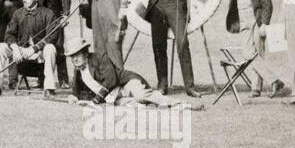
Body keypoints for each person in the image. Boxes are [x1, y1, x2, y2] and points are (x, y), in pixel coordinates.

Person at [64, 33, 204, 110]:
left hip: (126, 83)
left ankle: (184, 105)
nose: (74, 60)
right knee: (131, 106)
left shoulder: (100, 57)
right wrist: (73, 97)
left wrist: (96, 100)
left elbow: (111, 80)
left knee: (141, 96)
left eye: (77, 55)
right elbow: (76, 91)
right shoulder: (78, 71)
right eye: (72, 57)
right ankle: (158, 105)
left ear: (85, 53)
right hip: (115, 97)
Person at [0, 0, 61, 99]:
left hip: (39, 52)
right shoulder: (18, 13)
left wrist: (35, 49)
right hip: (21, 51)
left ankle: (49, 88)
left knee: (51, 48)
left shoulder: (47, 13)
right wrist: (15, 48)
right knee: (0, 47)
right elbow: (9, 34)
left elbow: (52, 36)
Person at [224, 0, 279, 96]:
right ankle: (274, 81)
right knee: (248, 53)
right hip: (242, 21)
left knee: (257, 54)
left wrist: (264, 24)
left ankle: (256, 88)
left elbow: (267, 4)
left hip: (256, 20)